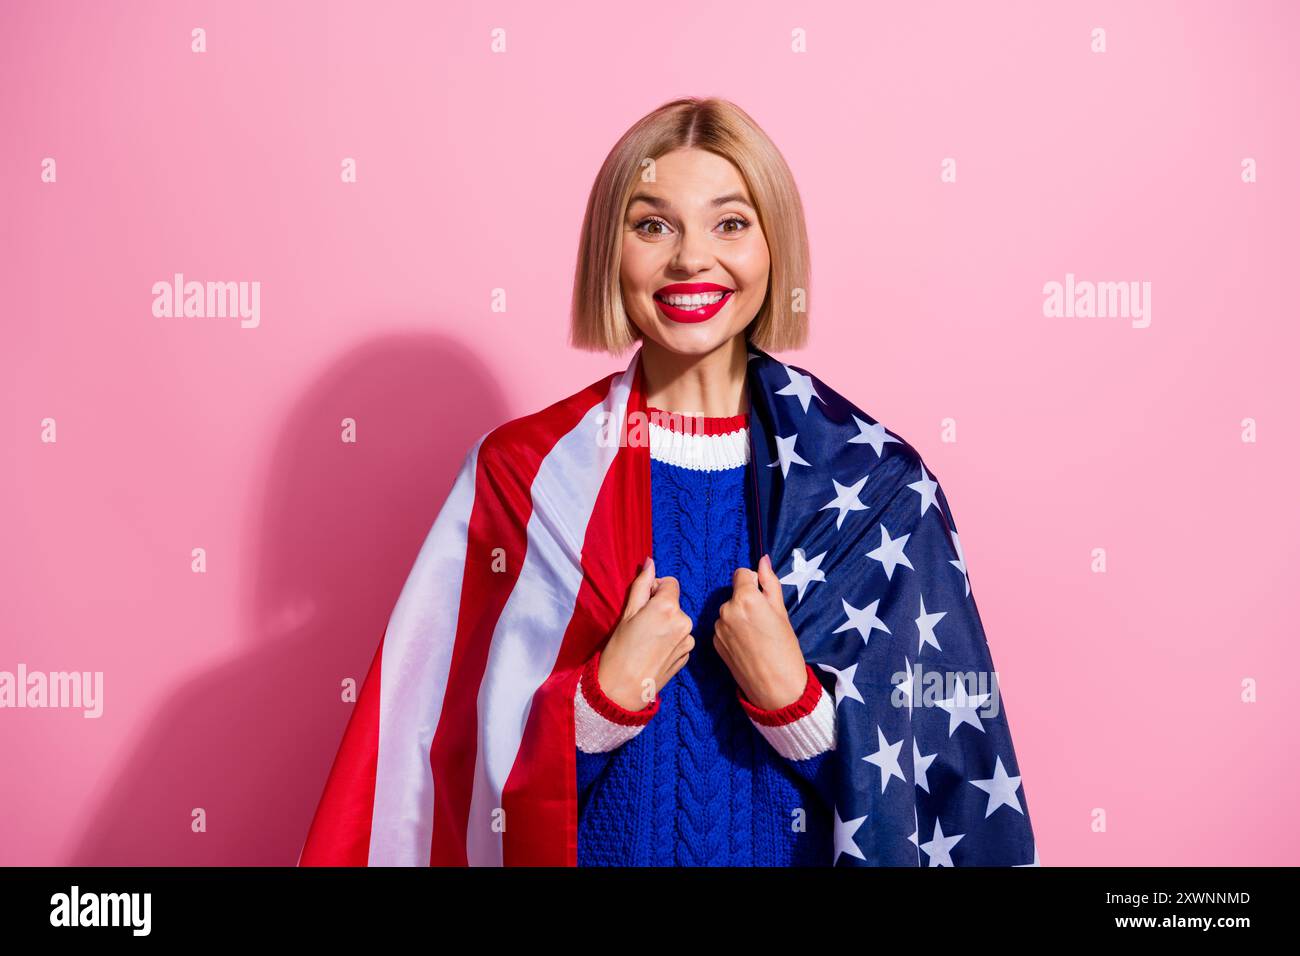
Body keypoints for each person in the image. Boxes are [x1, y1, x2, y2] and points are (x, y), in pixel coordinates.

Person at [300, 97, 1038, 868]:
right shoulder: (525, 478)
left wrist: (798, 705)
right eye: (652, 224)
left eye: (730, 223)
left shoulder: (879, 491)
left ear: (774, 247)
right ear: (607, 253)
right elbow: (440, 779)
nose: (690, 259)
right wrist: (596, 705)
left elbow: (941, 785)